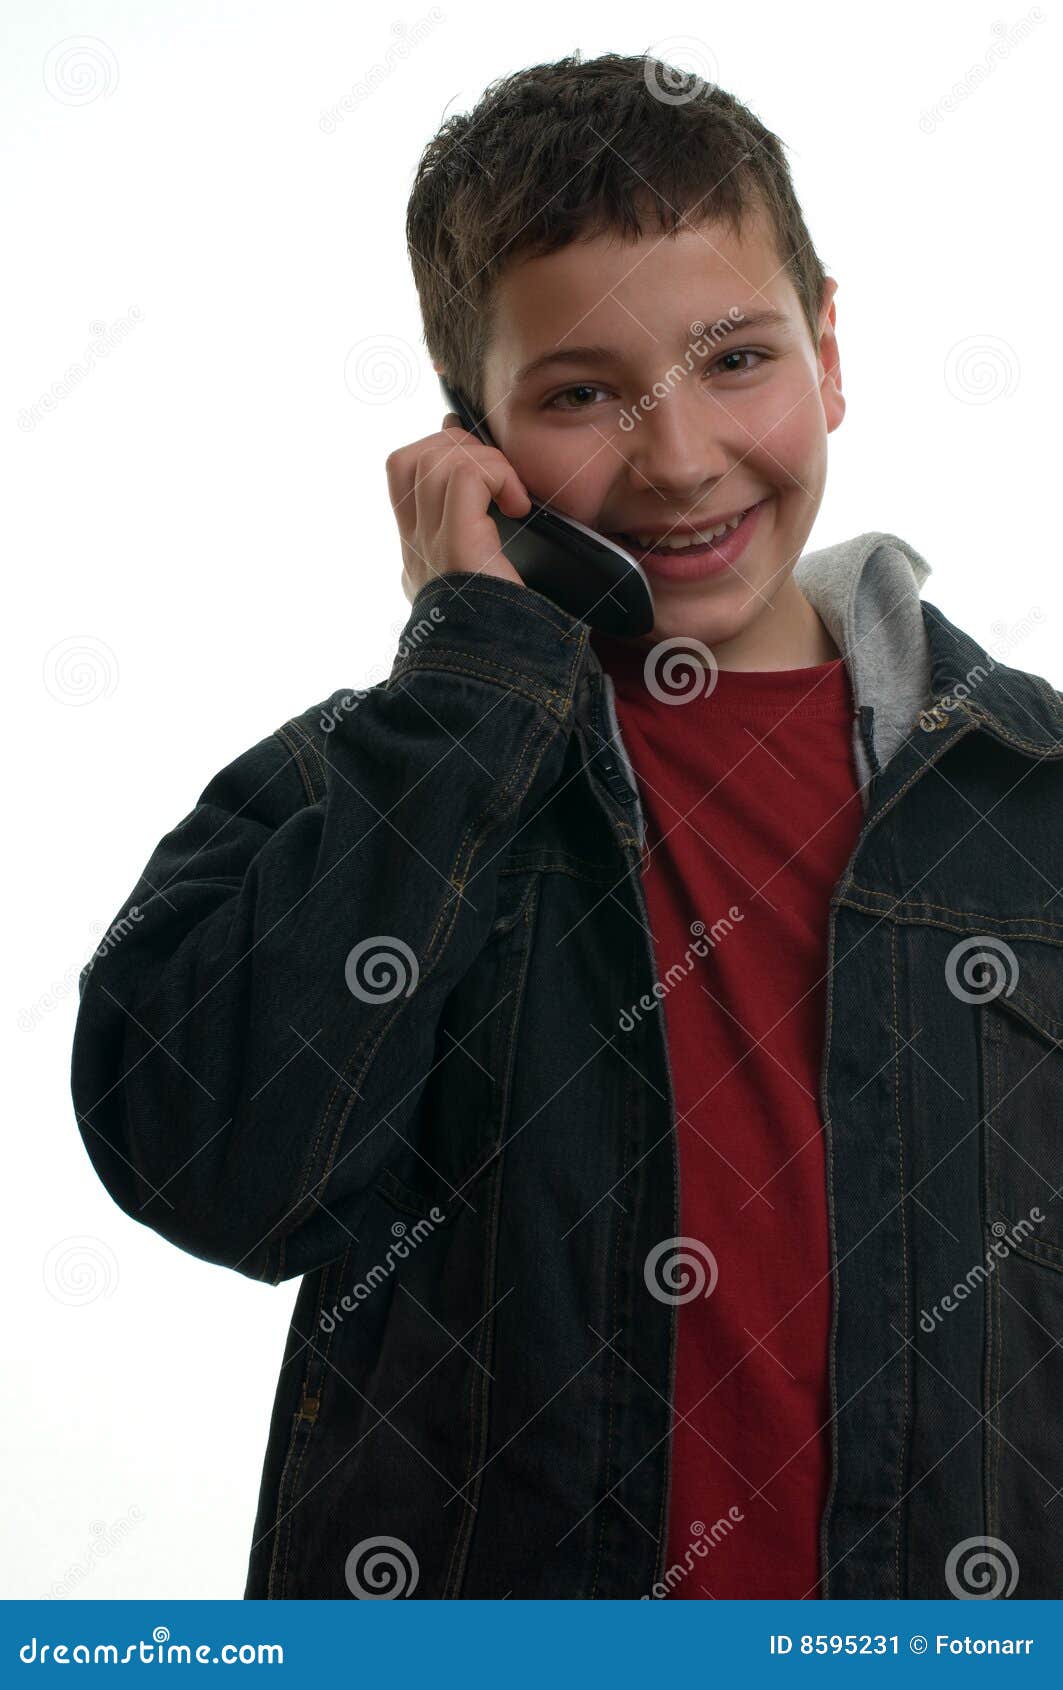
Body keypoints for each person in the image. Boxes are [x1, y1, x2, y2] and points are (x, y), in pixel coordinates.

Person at [70, 51, 1063, 1601]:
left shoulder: (1034, 791)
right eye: (584, 395)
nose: (677, 460)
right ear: (475, 446)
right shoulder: (372, 781)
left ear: (833, 356)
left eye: (737, 358)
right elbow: (218, 1170)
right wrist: (468, 678)